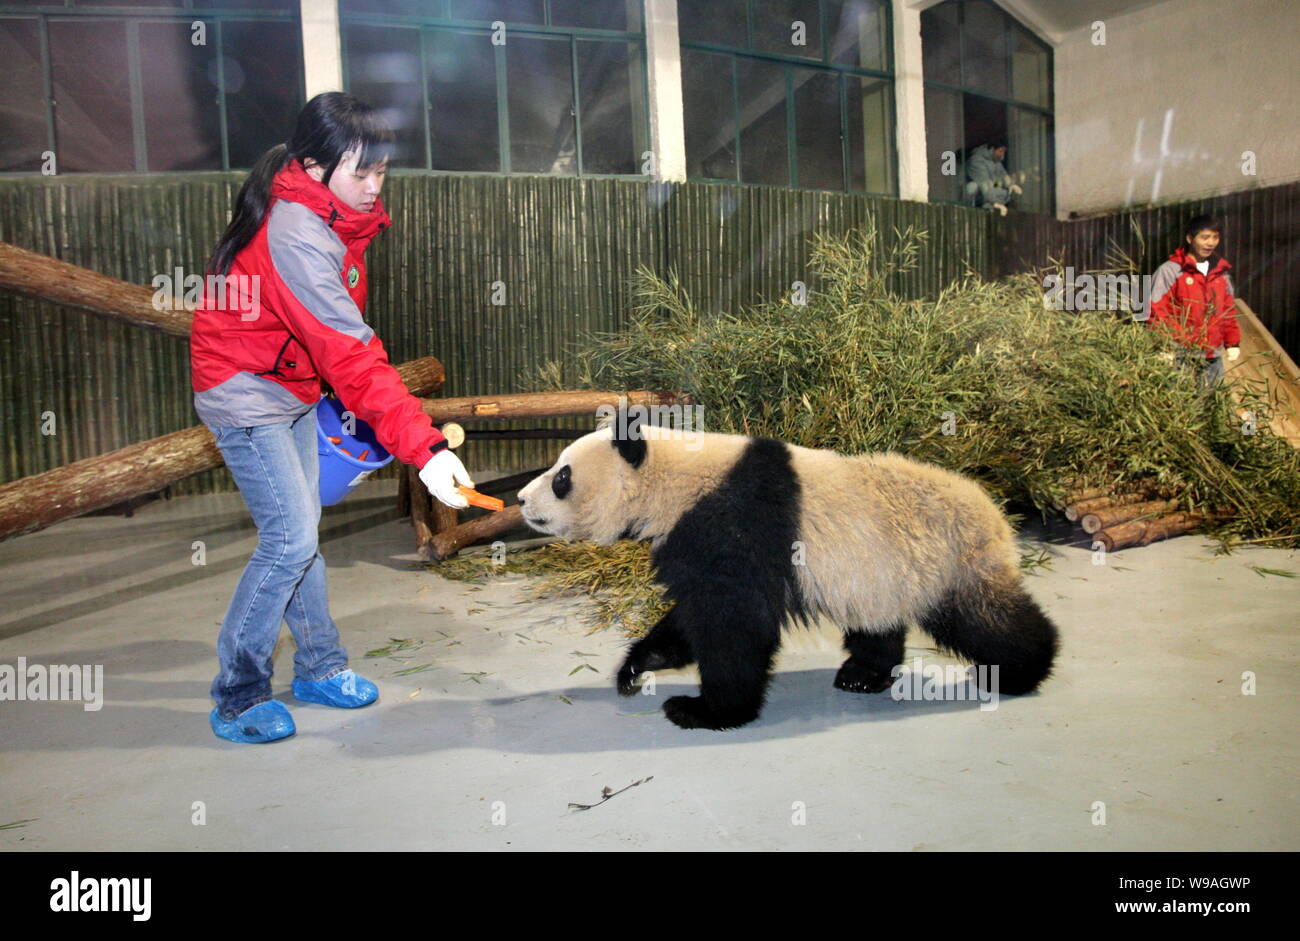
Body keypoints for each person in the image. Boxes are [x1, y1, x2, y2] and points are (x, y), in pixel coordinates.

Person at [190, 92, 473, 744]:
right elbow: (351, 354)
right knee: (288, 538)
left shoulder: (337, 215)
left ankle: (318, 666)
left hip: (288, 383)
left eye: (382, 171)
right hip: (242, 388)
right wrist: (425, 448)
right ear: (315, 168)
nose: (376, 187)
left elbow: (339, 345)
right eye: (362, 172)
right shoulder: (296, 234)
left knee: (301, 530)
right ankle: (237, 693)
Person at [1140, 214, 1240, 387]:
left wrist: (1232, 342)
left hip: (1211, 356)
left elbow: (1227, 311)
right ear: (1189, 238)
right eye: (1205, 237)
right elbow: (1155, 311)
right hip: (1180, 355)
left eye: (1215, 237)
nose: (1211, 243)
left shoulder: (1221, 273)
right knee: (1180, 405)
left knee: (1212, 405)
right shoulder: (1171, 271)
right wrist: (1164, 345)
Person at [966, 141, 1022, 215]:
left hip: (991, 197)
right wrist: (994, 203)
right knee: (972, 186)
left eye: (1004, 152)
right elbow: (984, 184)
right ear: (992, 149)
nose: (1002, 154)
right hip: (979, 200)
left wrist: (1011, 185)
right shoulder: (976, 161)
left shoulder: (996, 161)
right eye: (1000, 151)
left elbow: (1003, 176)